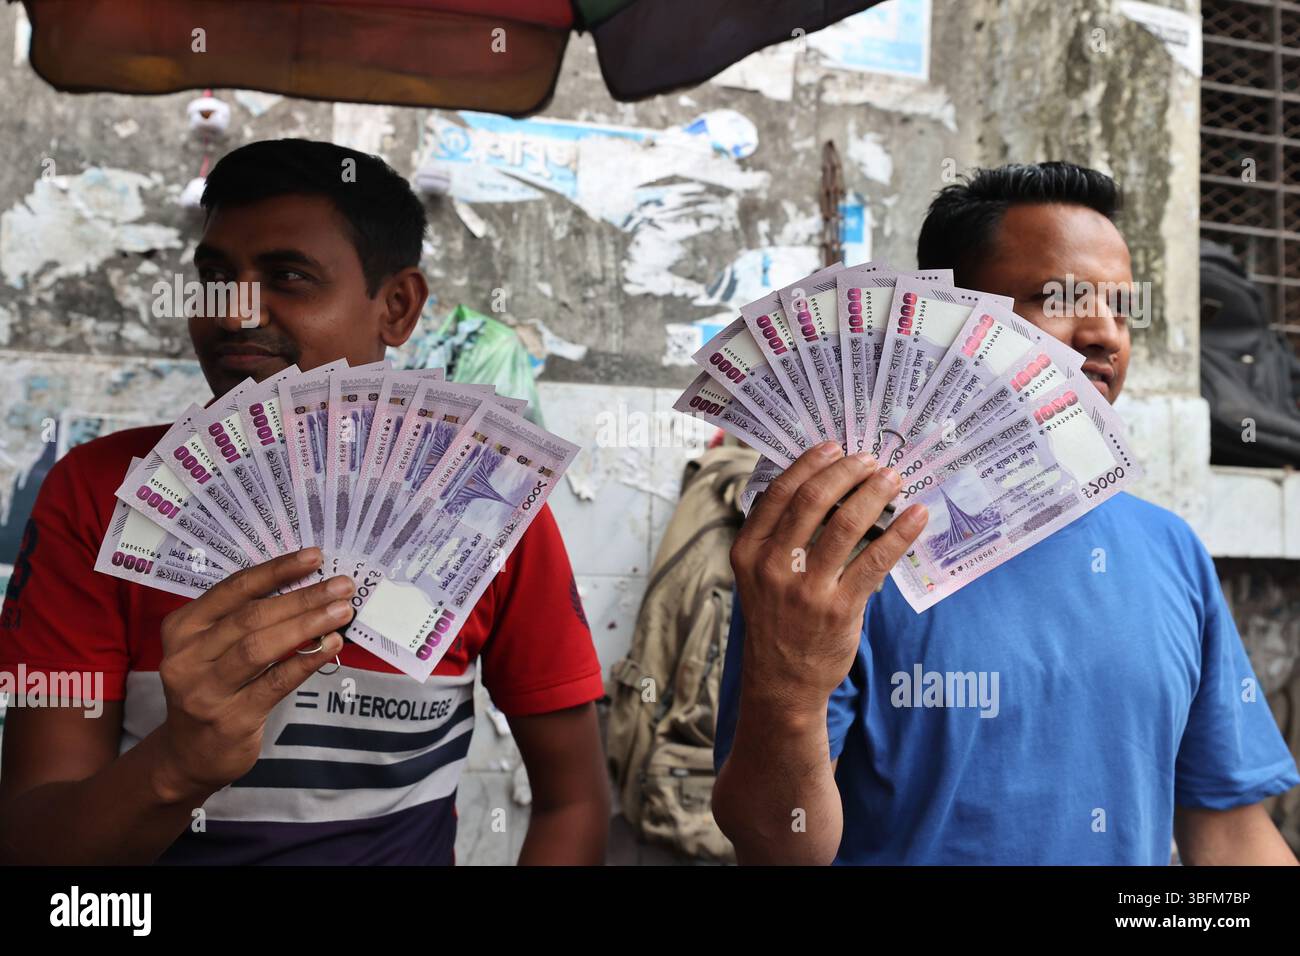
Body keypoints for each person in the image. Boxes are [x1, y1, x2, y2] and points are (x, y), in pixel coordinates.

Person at [0, 139, 610, 865]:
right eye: (216, 278)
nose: (234, 314)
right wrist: (177, 765)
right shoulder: (101, 493)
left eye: (288, 276)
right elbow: (32, 842)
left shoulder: (484, 506)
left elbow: (574, 800)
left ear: (397, 307)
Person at [712, 161, 1300, 865]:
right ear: (950, 323)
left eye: (1120, 307)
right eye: (1060, 299)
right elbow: (778, 847)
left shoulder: (1169, 548)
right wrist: (790, 690)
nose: (1104, 334)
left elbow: (1229, 833)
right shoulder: (841, 551)